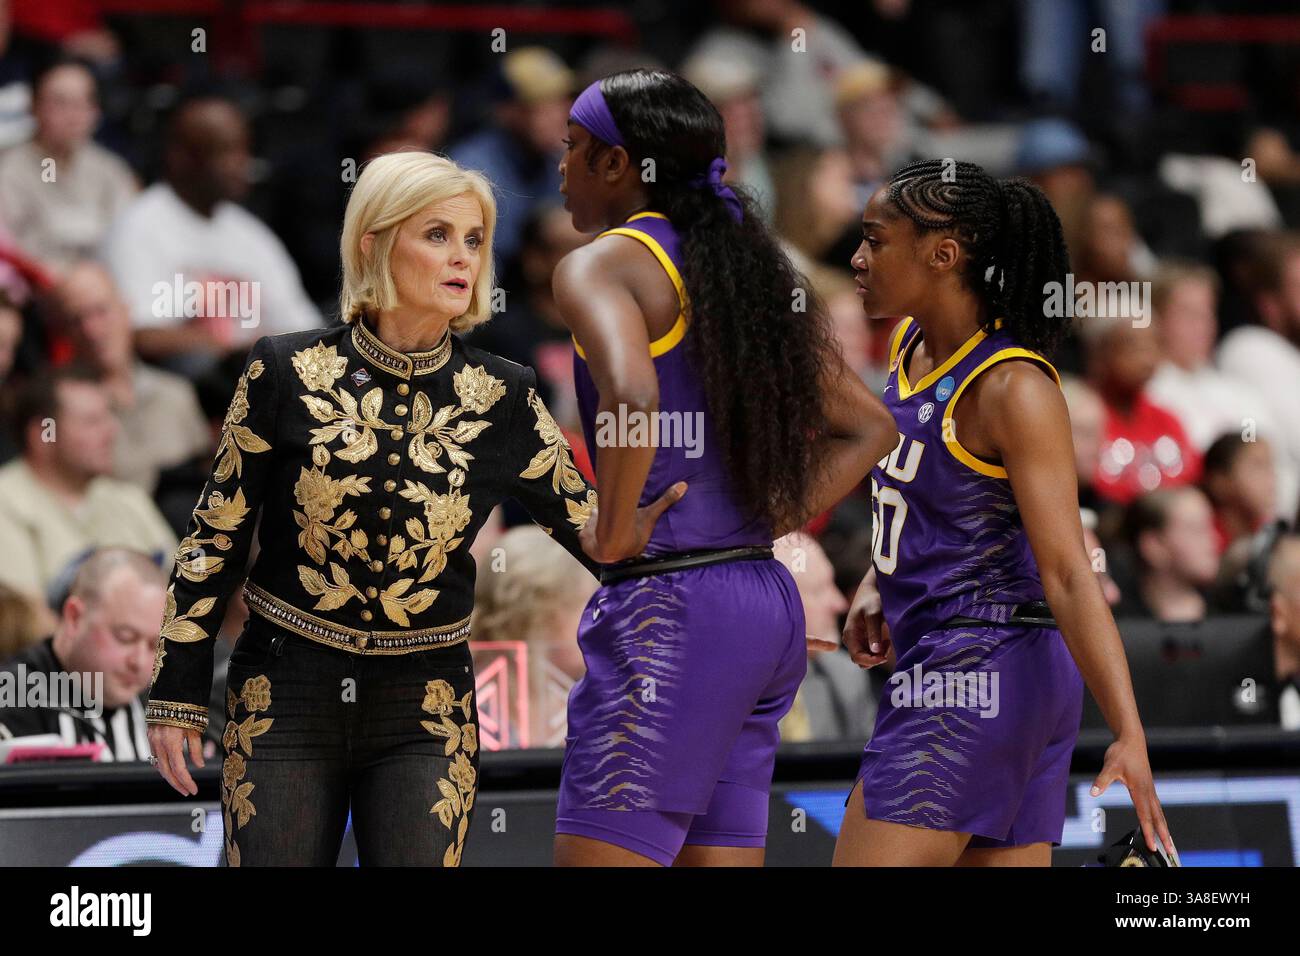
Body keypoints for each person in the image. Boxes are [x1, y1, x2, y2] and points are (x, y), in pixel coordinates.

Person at [143, 150, 678, 867]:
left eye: (474, 238)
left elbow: (596, 535)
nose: (462, 257)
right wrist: (178, 689)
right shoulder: (285, 369)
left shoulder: (504, 395)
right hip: (284, 691)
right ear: (374, 242)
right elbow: (214, 536)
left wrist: (730, 605)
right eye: (437, 234)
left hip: (426, 706)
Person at [552, 69, 897, 867]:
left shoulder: (600, 265)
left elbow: (634, 393)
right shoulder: (740, 265)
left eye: (572, 150)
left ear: (617, 165)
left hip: (670, 609)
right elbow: (867, 427)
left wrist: (610, 531)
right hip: (761, 604)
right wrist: (763, 517)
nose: (560, 168)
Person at [834, 159, 1174, 866]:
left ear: (943, 254)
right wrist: (882, 572)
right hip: (973, 666)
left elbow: (1071, 573)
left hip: (976, 668)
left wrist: (1129, 730)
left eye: (876, 239)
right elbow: (939, 492)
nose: (857, 258)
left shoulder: (1012, 387)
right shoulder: (909, 345)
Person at [99, 95, 322, 379]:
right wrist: (235, 349)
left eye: (244, 150)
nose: (241, 164)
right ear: (182, 158)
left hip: (258, 379)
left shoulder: (251, 234)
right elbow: (141, 334)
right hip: (183, 382)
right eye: (225, 152)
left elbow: (304, 328)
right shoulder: (139, 226)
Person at [0, 367, 177, 603]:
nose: (112, 430)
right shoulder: (7, 500)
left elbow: (182, 585)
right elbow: (24, 619)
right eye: (92, 421)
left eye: (110, 416)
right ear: (44, 434)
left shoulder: (127, 498)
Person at [0, 548, 165, 760]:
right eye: (125, 637)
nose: (140, 662)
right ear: (74, 617)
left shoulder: (164, 703)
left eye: (155, 645)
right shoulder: (14, 698)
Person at [0, 57, 136, 272]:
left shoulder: (111, 169)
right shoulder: (9, 170)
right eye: (60, 103)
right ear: (33, 106)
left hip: (105, 285)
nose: (74, 115)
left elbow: (129, 240)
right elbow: (9, 253)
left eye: (84, 103)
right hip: (36, 290)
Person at [1118, 487, 1219, 623]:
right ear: (1154, 546)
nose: (1214, 539)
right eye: (1196, 530)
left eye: (1210, 527)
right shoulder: (1118, 619)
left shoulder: (1232, 608)